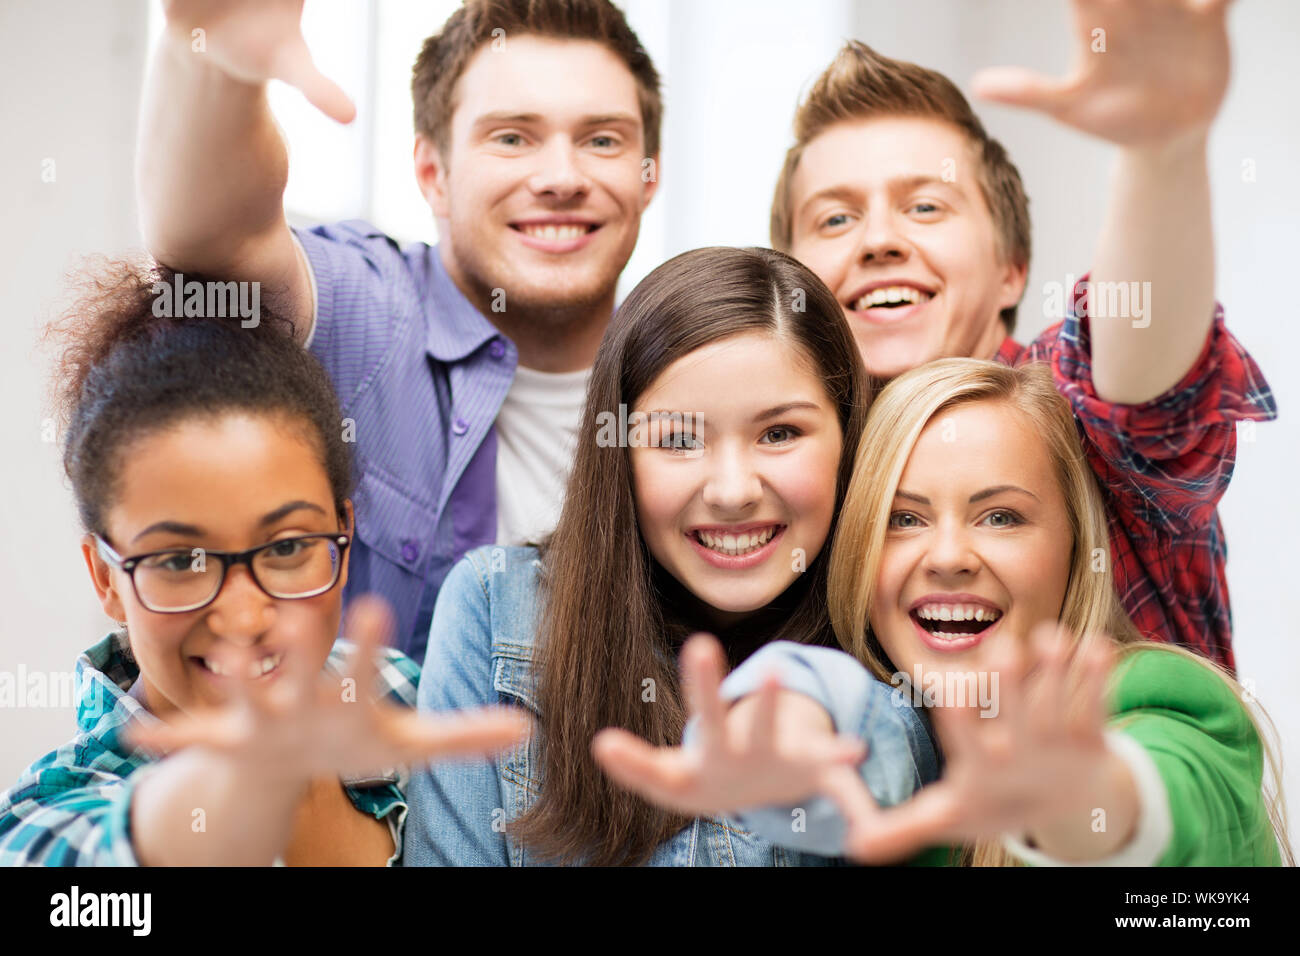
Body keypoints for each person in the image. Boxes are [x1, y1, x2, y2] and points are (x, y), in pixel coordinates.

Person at [595, 359, 1290, 866]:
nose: (949, 556)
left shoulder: (1169, 703)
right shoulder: (888, 735)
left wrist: (1084, 802)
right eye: (904, 518)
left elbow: (1168, 794)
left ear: (1077, 547)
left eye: (1000, 516)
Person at [135, 0, 663, 660]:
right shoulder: (367, 311)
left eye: (603, 140)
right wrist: (209, 65)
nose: (561, 178)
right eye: (511, 137)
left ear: (650, 176)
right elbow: (215, 236)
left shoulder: (688, 378)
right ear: (432, 175)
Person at [770, 1, 1274, 670]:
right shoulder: (793, 471)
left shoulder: (1067, 413)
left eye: (926, 206)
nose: (880, 240)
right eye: (835, 219)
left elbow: (1143, 383)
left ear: (1011, 269)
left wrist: (1162, 153)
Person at [405, 246, 938, 866]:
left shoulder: (898, 619)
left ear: (848, 437)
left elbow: (887, 750)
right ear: (621, 455)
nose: (733, 491)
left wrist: (810, 712)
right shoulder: (495, 605)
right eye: (679, 439)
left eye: (779, 433)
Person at [0, 264, 525, 866]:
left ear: (344, 537)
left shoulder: (399, 693)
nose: (245, 616)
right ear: (105, 578)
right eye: (180, 560)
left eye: (285, 548)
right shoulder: (45, 815)